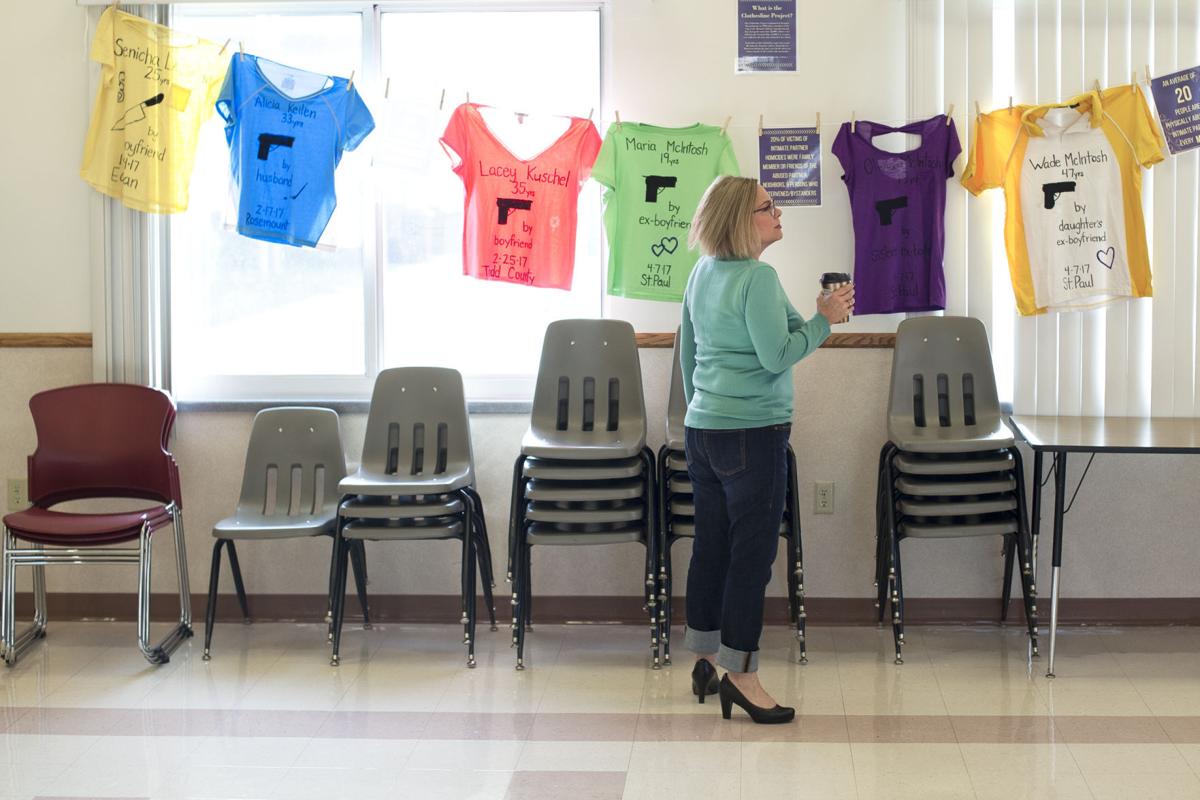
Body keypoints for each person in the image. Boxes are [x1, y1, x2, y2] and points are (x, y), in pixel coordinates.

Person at [679, 175, 854, 724]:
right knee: (751, 560)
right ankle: (744, 676)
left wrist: (818, 317)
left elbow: (689, 355)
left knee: (711, 549)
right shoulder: (757, 278)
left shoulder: (702, 273)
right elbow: (779, 355)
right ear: (739, 219)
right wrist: (827, 321)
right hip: (752, 435)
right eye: (767, 207)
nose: (778, 213)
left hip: (702, 430)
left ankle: (706, 660)